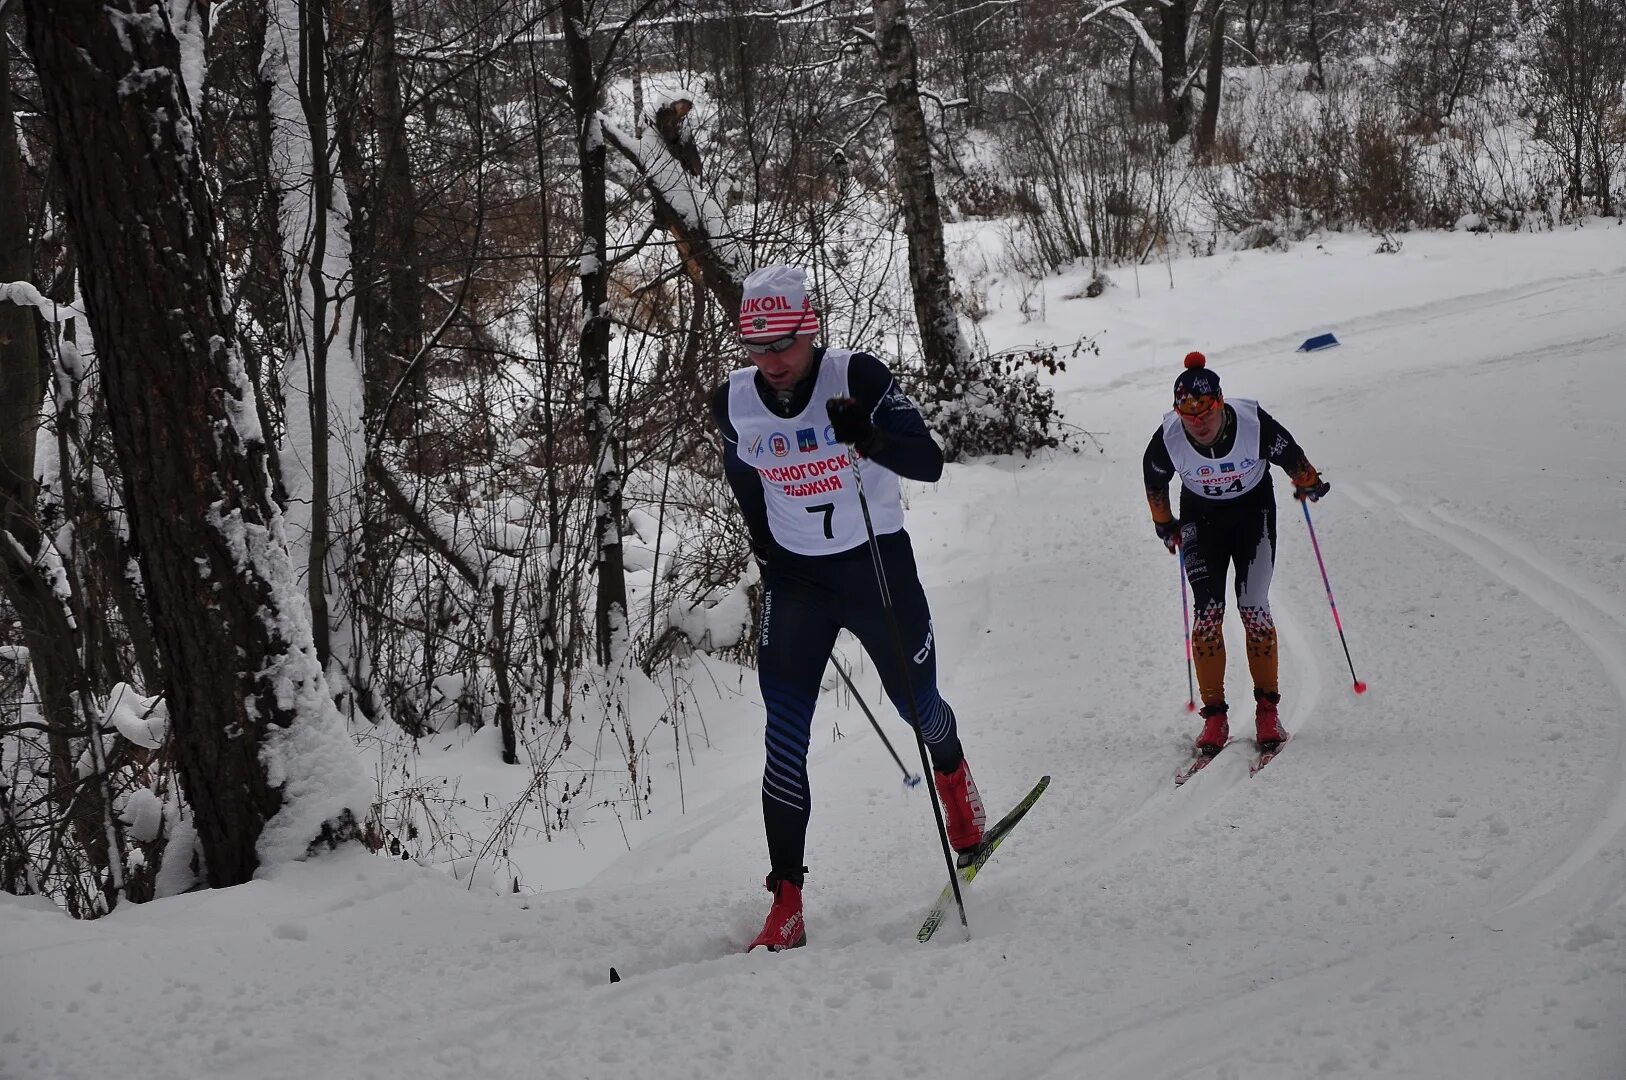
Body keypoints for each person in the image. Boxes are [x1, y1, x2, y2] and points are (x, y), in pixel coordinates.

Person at [710, 265, 986, 952]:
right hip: (797, 581)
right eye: (758, 346)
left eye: (785, 343)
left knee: (917, 707)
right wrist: (763, 543)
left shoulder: (856, 377)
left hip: (875, 567)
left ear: (812, 331)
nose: (772, 361)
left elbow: (930, 461)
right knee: (784, 735)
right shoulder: (734, 401)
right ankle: (788, 899)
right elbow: (743, 471)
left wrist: (871, 436)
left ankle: (951, 773)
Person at [1143, 351, 1330, 758]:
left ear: (1220, 401)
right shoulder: (1168, 439)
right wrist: (1165, 523)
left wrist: (1309, 482)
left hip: (1253, 515)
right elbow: (1154, 483)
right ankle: (1215, 717)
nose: (1198, 422)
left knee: (1253, 605)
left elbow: (1291, 456)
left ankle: (1267, 711)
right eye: (1187, 413)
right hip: (1201, 521)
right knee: (1207, 613)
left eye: (1205, 410)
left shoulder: (1252, 423)